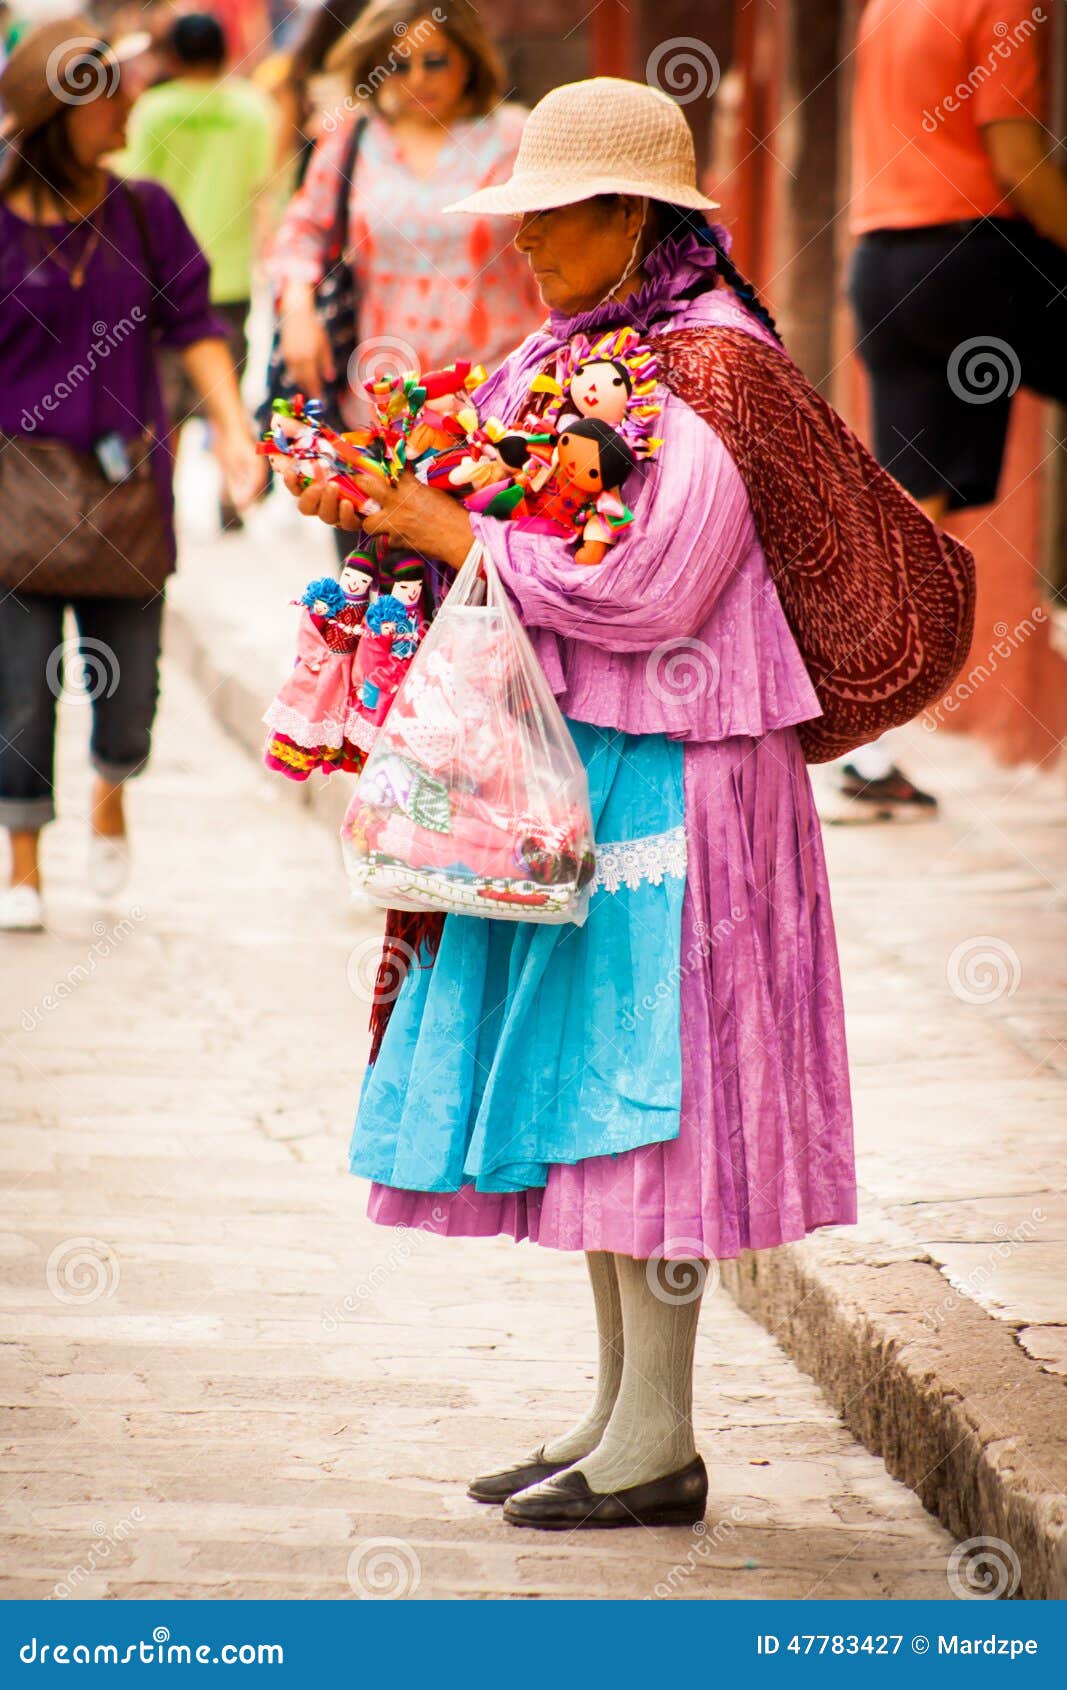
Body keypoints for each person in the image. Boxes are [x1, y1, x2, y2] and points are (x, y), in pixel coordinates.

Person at [283, 78, 859, 1530]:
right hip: (601, 756)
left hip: (688, 767)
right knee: (598, 1089)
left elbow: (655, 583)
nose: (530, 246)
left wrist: (456, 531)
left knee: (657, 1097)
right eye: (525, 219)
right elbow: (480, 473)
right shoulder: (583, 347)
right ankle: (620, 1414)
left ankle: (656, 1436)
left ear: (636, 219)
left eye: (557, 220)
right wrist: (378, 496)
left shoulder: (716, 372)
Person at [0, 16, 262, 932]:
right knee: (19, 693)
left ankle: (113, 788)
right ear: (52, 113)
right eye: (107, 94)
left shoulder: (144, 210)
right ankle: (23, 860)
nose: (126, 108)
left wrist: (233, 433)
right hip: (15, 499)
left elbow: (196, 325)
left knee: (129, 701)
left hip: (126, 494)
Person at [845, 0, 1067, 818]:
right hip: (969, 257)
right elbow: (1017, 160)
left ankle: (855, 745)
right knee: (915, 518)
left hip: (881, 263)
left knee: (909, 513)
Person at [268, 0, 542, 430]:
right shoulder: (352, 139)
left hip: (500, 400)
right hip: (384, 403)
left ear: (468, 59)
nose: (417, 79)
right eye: (399, 65)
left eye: (435, 62)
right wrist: (297, 312)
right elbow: (302, 231)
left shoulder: (518, 136)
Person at [124, 10, 275, 531]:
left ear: (174, 57)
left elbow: (132, 187)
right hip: (228, 272)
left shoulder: (150, 109)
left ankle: (160, 502)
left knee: (163, 398)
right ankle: (234, 493)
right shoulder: (252, 110)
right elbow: (265, 188)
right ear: (223, 52)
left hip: (158, 277)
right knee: (224, 385)